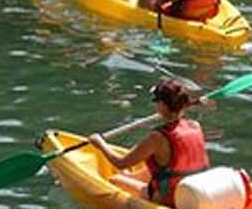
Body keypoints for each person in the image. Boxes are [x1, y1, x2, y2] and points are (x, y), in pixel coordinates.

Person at [89, 79, 210, 207]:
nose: (155, 105)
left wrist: (100, 143)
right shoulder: (195, 126)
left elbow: (120, 163)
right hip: (195, 193)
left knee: (114, 180)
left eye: (156, 101)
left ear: (162, 105)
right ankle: (131, 177)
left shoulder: (157, 137)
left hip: (169, 198)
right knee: (152, 169)